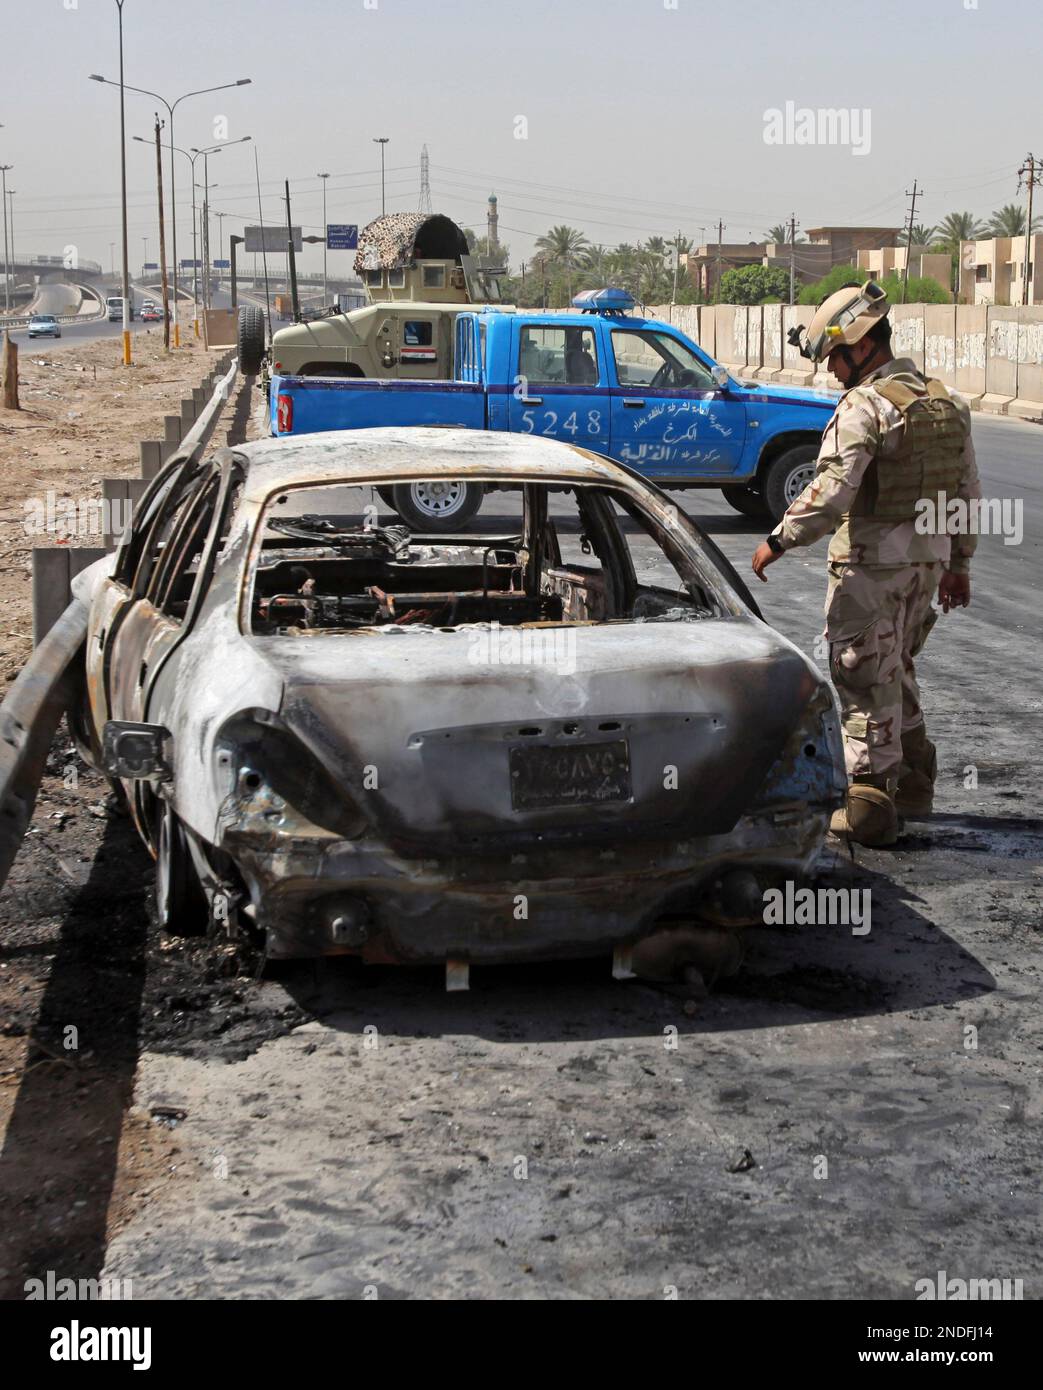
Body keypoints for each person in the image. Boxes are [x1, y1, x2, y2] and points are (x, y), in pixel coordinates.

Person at [750, 282, 979, 846]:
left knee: (860, 677)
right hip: (926, 565)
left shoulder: (865, 406)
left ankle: (871, 801)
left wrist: (778, 540)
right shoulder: (944, 400)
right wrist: (959, 564)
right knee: (896, 668)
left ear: (858, 345)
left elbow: (831, 492)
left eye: (834, 358)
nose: (831, 372)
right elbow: (967, 492)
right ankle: (915, 781)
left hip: (871, 567)